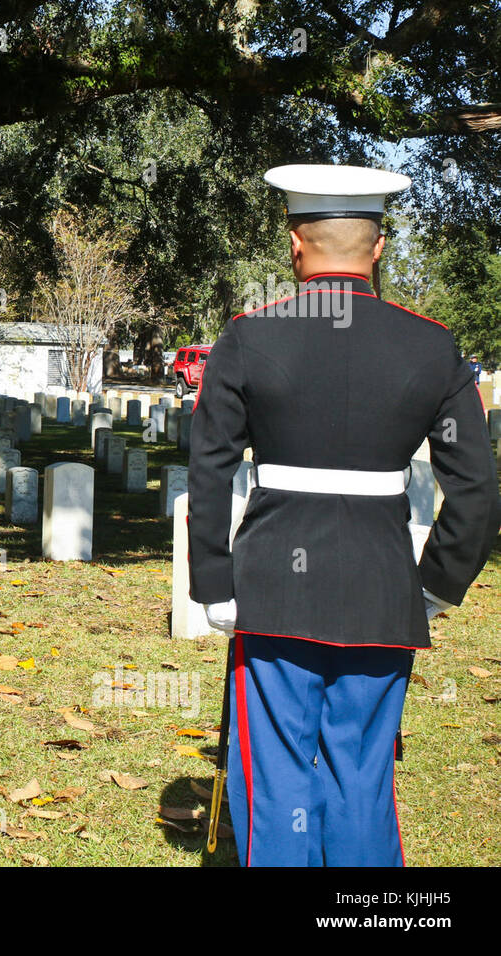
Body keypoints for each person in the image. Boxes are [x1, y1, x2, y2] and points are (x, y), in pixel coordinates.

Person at [188, 164, 501, 866]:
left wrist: (214, 581)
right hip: (383, 593)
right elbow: (476, 489)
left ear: (295, 245)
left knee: (277, 782)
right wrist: (438, 585)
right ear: (379, 247)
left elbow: (209, 467)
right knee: (362, 779)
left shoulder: (249, 336)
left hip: (273, 593)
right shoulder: (432, 344)